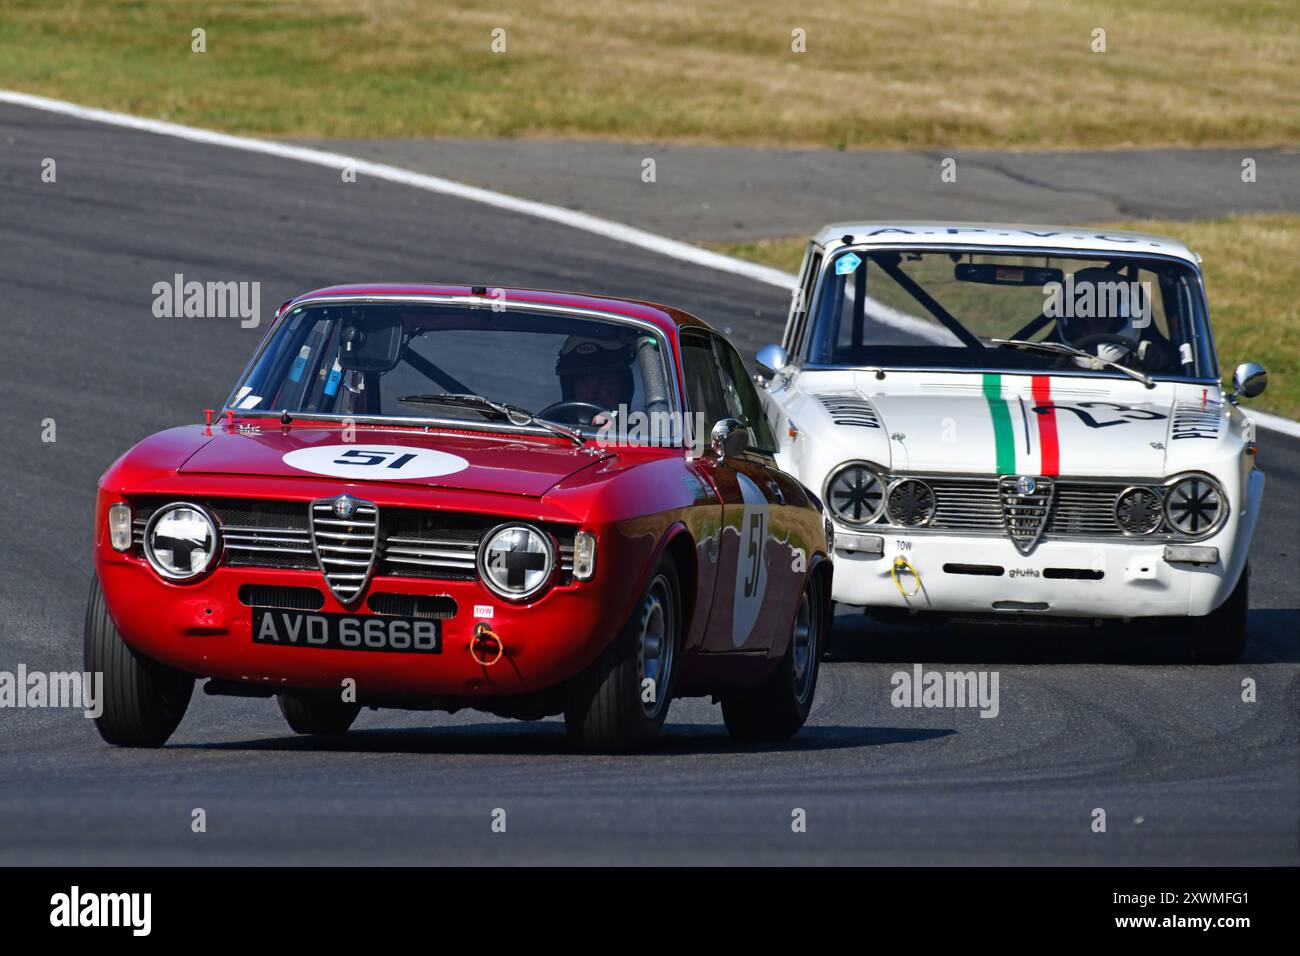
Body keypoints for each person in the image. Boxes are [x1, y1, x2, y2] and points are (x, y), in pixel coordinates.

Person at [1057, 267, 1147, 367]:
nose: (1093, 328)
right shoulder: (1046, 365)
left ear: (1119, 322)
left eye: (1100, 318)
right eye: (1082, 320)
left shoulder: (1151, 366)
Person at [554, 334, 637, 420]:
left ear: (625, 389)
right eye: (582, 383)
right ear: (569, 390)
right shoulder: (548, 429)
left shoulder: (642, 431)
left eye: (605, 382)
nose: (591, 395)